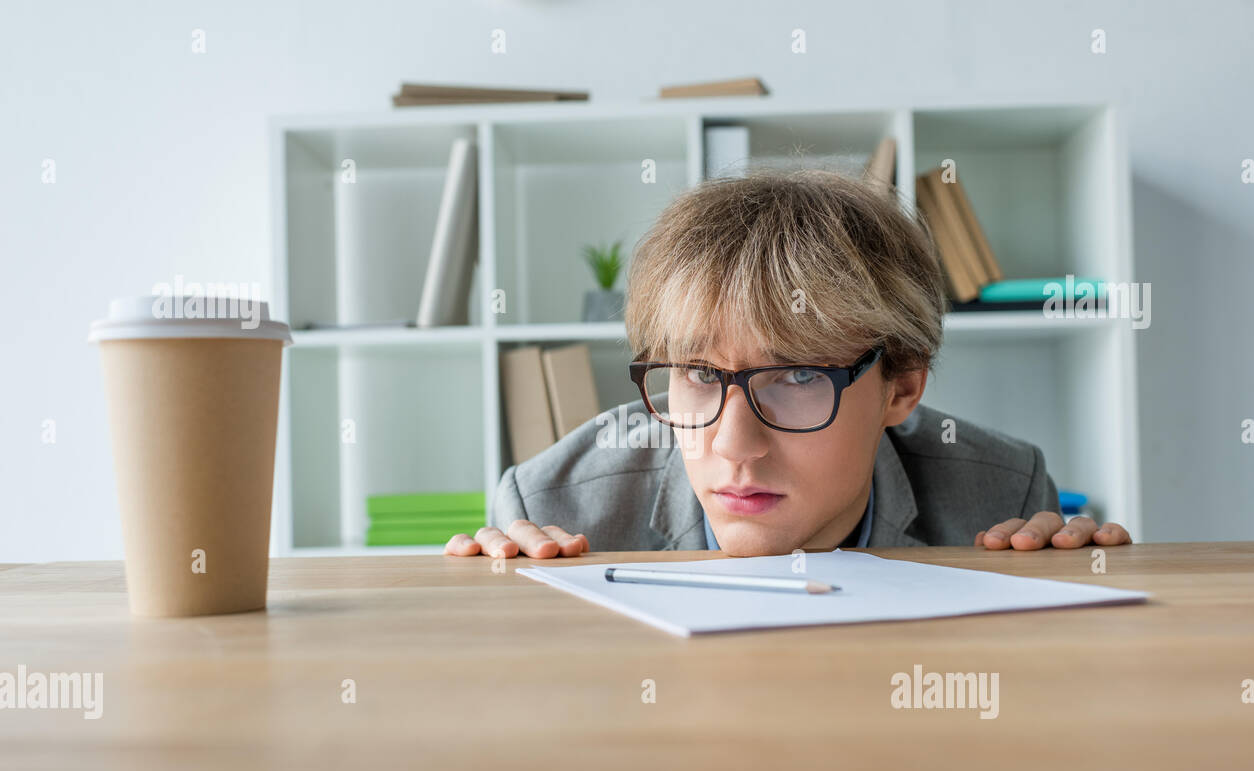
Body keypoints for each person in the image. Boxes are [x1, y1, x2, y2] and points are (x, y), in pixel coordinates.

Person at [448, 168, 1132, 560]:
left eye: (800, 375)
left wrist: (1077, 590)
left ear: (902, 386)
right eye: (700, 374)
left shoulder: (1001, 497)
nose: (733, 445)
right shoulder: (555, 506)